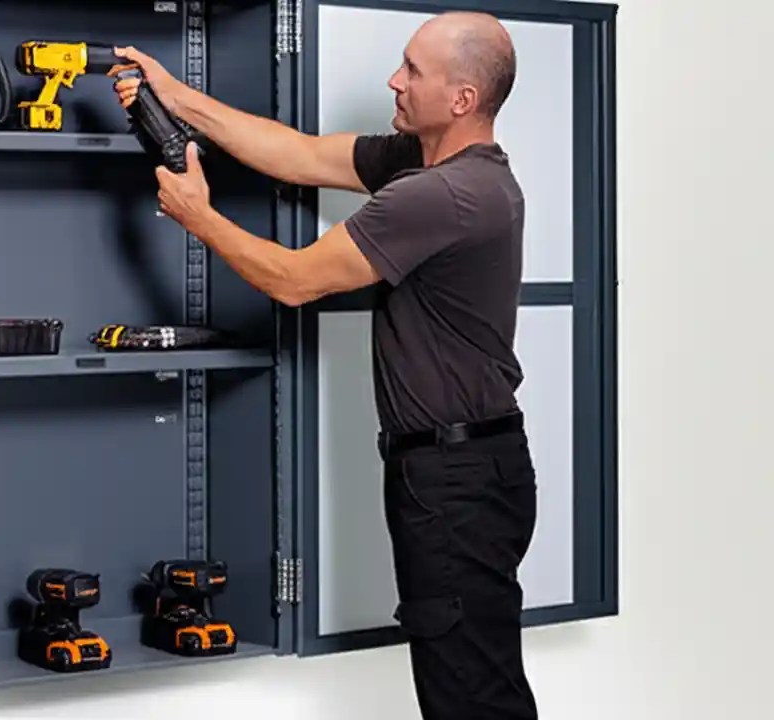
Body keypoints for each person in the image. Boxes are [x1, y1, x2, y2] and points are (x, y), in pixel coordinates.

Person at [109, 10, 539, 720]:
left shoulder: (442, 195)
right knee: (471, 679)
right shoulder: (431, 166)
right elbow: (299, 154)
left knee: (471, 696)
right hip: (467, 471)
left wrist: (198, 215)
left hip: (456, 481)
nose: (393, 80)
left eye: (413, 71)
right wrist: (174, 94)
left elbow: (294, 279)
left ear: (462, 99)